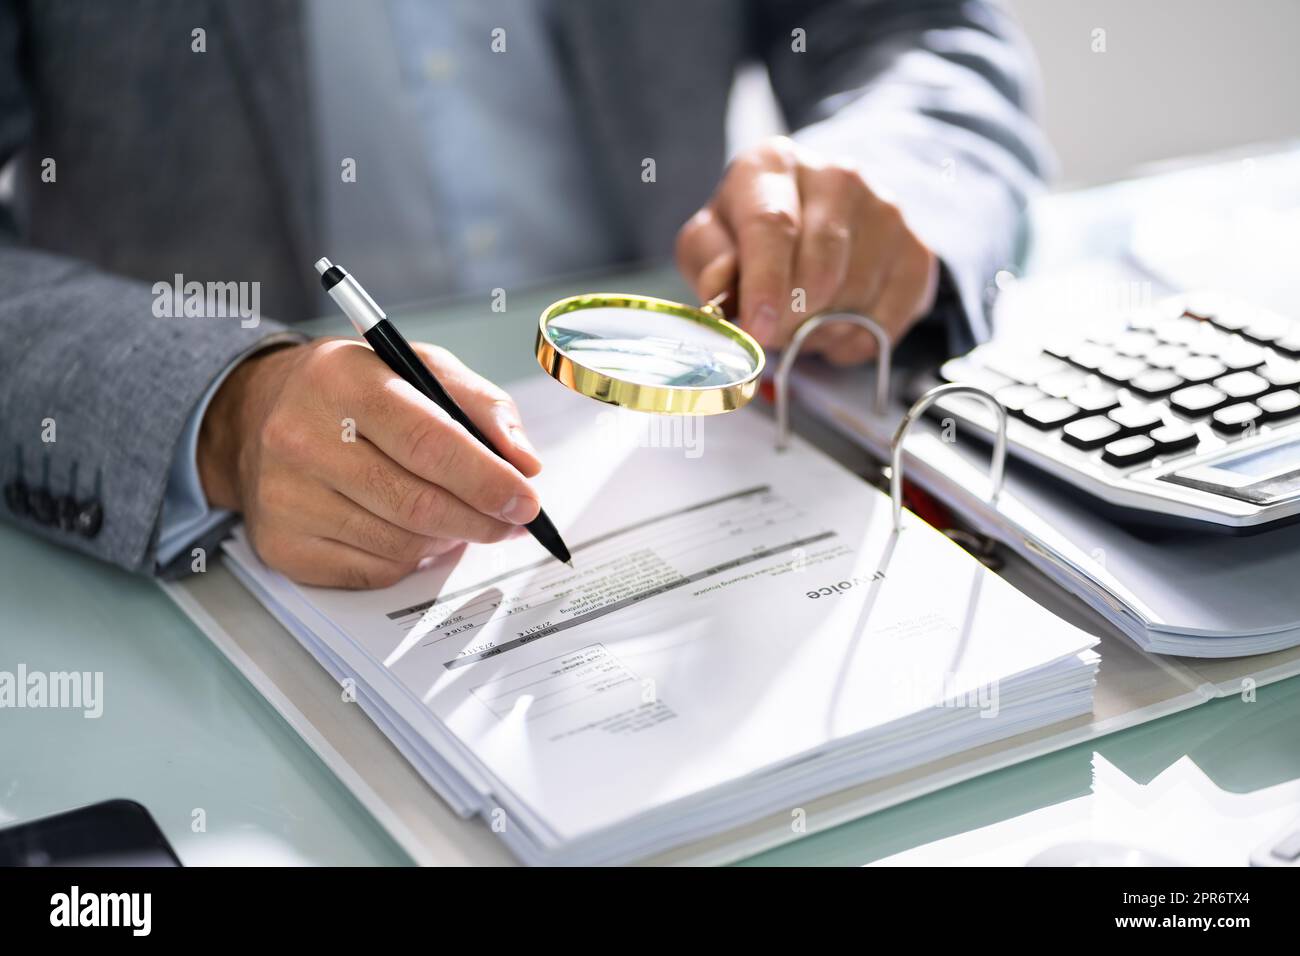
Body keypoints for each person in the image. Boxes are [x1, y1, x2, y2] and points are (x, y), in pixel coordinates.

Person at [0, 0, 1048, 588]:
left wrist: (882, 190)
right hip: (204, 568)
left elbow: (916, 27)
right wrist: (220, 409)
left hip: (728, 414)